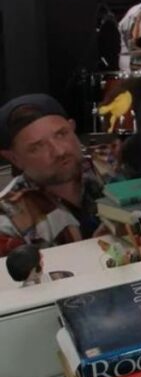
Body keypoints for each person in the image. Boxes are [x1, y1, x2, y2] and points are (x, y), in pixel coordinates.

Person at [0, 94, 107, 256]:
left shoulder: (115, 166)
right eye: (37, 147)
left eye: (61, 134)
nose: (59, 151)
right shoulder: (8, 219)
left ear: (72, 127)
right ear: (14, 158)